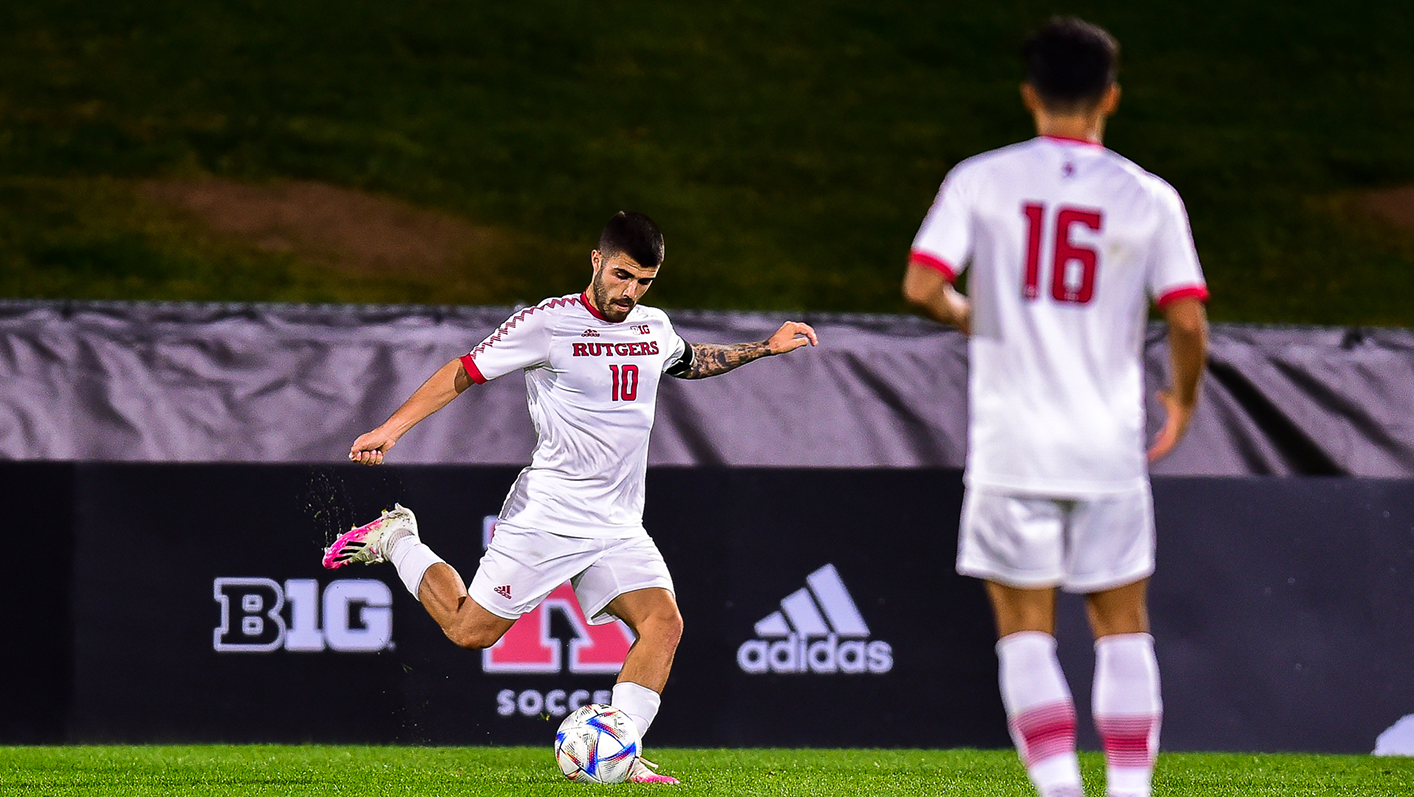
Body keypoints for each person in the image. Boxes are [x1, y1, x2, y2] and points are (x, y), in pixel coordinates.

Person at [324, 210, 818, 784]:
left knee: (664, 623)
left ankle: (621, 751)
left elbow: (690, 361)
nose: (630, 292)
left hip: (617, 523)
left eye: (644, 282)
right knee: (469, 632)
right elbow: (462, 371)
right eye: (623, 276)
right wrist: (391, 428)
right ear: (596, 261)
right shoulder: (547, 323)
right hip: (549, 515)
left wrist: (763, 347)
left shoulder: (651, 326)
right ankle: (398, 539)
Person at [902, 17, 1208, 797]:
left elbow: (921, 285)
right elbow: (1186, 317)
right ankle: (1131, 790)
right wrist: (1183, 396)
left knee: (1024, 630)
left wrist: (979, 314)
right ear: (1110, 96)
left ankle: (1062, 790)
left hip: (1013, 444)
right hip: (1106, 442)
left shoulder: (983, 178)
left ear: (1029, 93)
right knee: (1122, 623)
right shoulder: (1148, 195)